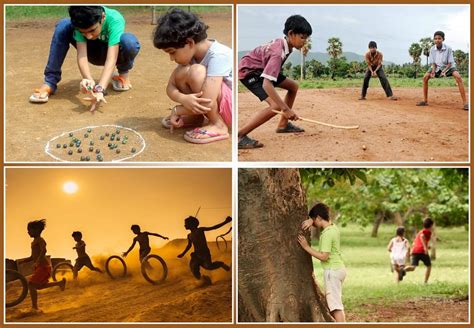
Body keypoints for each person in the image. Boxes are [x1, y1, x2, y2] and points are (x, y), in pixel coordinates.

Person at [29, 6, 141, 112]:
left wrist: (100, 89)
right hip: (90, 52)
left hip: (112, 54)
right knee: (63, 25)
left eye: (92, 30)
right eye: (83, 32)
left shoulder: (115, 18)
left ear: (102, 17)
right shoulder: (79, 22)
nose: (88, 36)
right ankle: (49, 82)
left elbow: (111, 58)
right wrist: (89, 81)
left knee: (129, 41)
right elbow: (82, 54)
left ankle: (122, 75)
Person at [153, 8, 232, 144]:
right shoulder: (191, 54)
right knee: (182, 72)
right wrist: (182, 98)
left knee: (196, 72)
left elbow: (207, 100)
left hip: (231, 109)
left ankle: (218, 125)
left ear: (189, 42)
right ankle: (197, 118)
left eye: (172, 52)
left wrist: (179, 110)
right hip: (212, 104)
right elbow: (171, 85)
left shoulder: (219, 55)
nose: (172, 58)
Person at [237, 15, 312, 149]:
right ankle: (240, 136)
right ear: (291, 33)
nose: (304, 41)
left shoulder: (286, 45)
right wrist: (285, 108)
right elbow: (267, 84)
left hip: (262, 70)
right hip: (250, 72)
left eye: (306, 38)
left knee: (293, 86)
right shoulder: (278, 53)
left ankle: (283, 125)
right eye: (302, 37)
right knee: (275, 106)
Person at [297, 203, 346, 322]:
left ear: (319, 218)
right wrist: (310, 220)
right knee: (335, 302)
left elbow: (324, 256)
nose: (313, 224)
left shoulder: (327, 234)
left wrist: (306, 247)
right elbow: (317, 220)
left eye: (314, 220)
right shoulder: (333, 228)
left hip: (332, 271)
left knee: (335, 306)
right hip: (339, 268)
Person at [416, 31, 468, 110]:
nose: (437, 40)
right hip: (437, 66)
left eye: (439, 38)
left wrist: (444, 71)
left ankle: (465, 104)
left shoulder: (448, 49)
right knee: (425, 77)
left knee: (458, 77)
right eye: (435, 39)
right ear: (434, 40)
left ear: (443, 39)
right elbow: (433, 63)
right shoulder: (432, 49)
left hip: (448, 66)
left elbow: (450, 63)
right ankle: (425, 101)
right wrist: (433, 71)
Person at [21, 219, 66, 312]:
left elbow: (44, 250)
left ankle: (34, 308)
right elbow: (33, 256)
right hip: (40, 266)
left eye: (30, 230)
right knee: (39, 286)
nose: (28, 232)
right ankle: (60, 283)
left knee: (31, 284)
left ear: (37, 230)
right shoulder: (33, 242)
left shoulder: (40, 240)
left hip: (43, 266)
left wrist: (37, 261)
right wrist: (25, 260)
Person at [177, 216, 232, 285]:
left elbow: (213, 227)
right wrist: (183, 253)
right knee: (194, 268)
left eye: (186, 223)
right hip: (196, 254)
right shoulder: (189, 235)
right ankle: (203, 280)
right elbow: (189, 245)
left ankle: (221, 264)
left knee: (208, 267)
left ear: (192, 224)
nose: (185, 225)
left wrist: (225, 222)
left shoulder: (200, 230)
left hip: (204, 253)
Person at [403, 218, 434, 283]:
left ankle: (402, 270)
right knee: (429, 266)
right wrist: (425, 248)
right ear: (431, 225)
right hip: (422, 251)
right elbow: (422, 237)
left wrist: (426, 246)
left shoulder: (420, 232)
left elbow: (415, 242)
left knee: (413, 267)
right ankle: (425, 282)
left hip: (415, 251)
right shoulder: (427, 231)